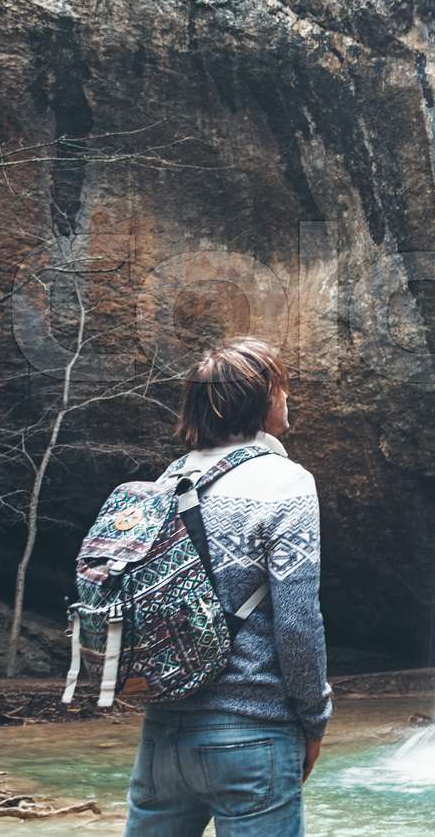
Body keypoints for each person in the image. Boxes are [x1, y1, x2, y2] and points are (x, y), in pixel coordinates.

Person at [123, 337, 332, 837]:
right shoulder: (286, 483)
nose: (287, 400)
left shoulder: (169, 480)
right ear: (261, 402)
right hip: (253, 733)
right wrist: (314, 719)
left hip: (162, 733)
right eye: (281, 390)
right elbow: (298, 622)